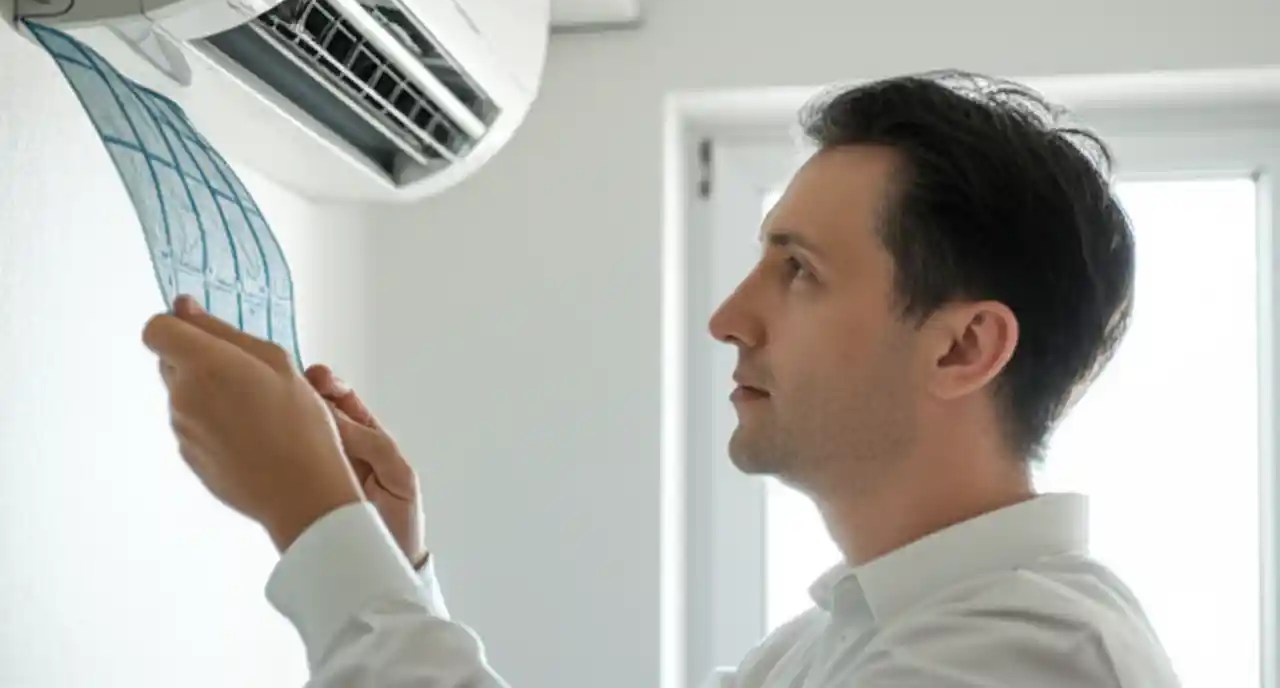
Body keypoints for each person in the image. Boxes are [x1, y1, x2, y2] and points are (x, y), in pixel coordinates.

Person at [142, 71, 1180, 687]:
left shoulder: (1026, 656)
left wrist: (323, 532)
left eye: (798, 272)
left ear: (961, 348)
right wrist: (388, 558)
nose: (729, 317)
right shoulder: (838, 642)